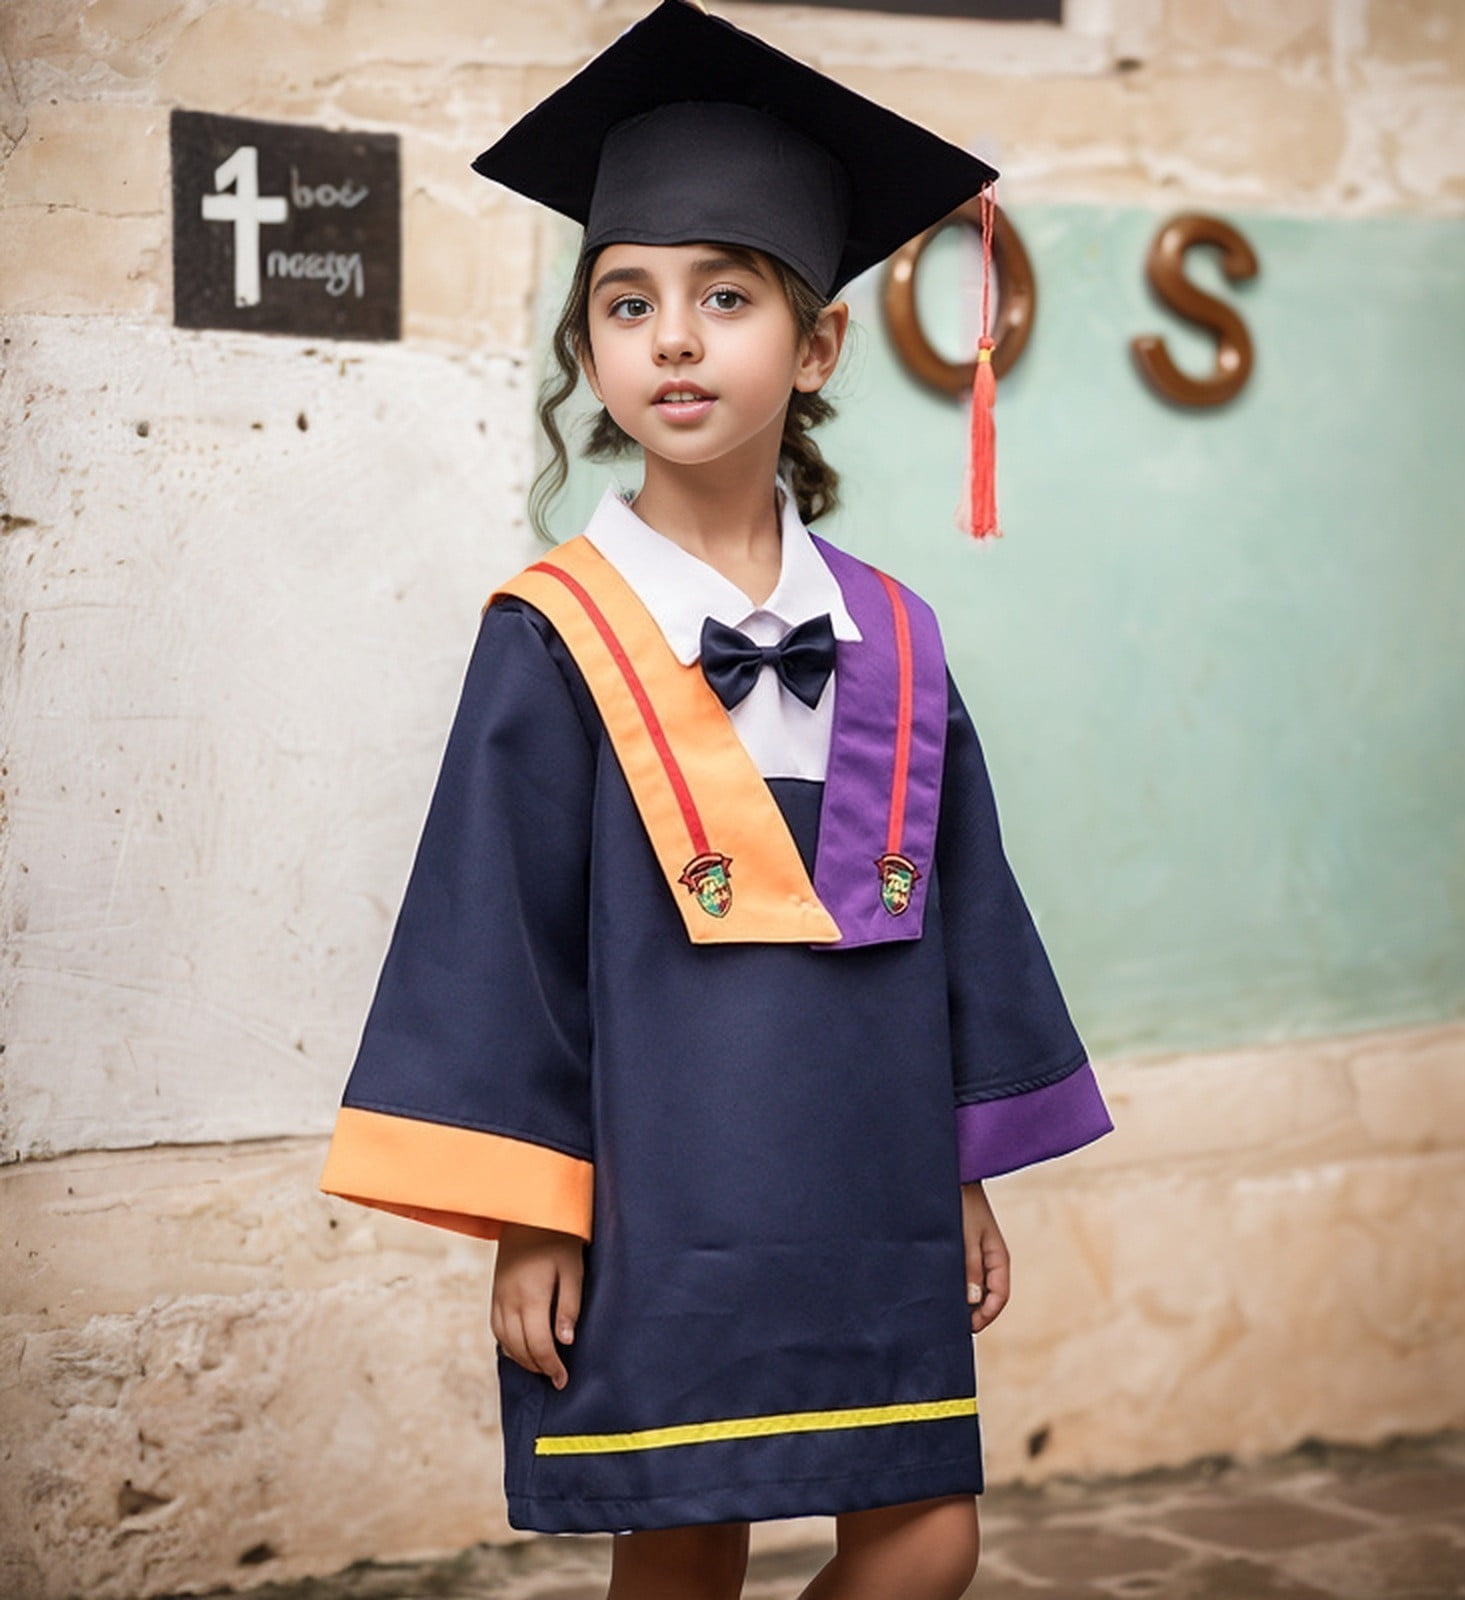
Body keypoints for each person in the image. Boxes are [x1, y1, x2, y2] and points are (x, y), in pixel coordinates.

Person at [319, 4, 1112, 1597]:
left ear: (814, 348)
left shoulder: (893, 634)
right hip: (658, 1200)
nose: (672, 340)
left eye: (725, 297)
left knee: (929, 1540)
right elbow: (499, 949)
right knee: (684, 1556)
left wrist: (958, 1169)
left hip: (868, 1197)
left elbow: (959, 927)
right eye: (628, 304)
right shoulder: (551, 634)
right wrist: (535, 1215)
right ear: (591, 351)